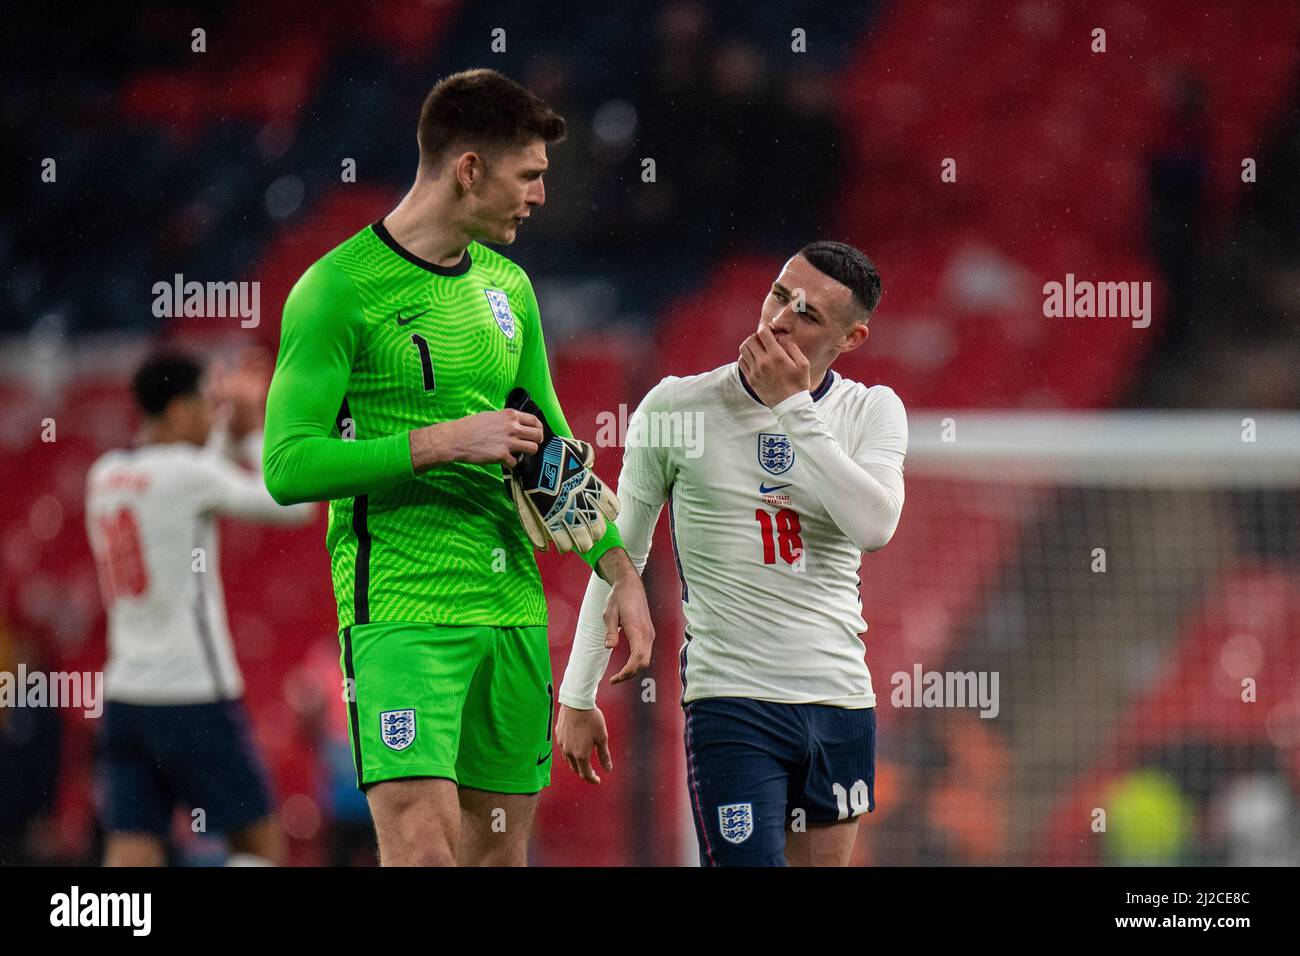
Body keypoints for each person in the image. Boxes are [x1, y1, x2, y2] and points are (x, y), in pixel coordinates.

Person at [262, 68, 654, 867]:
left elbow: (548, 446)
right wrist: (443, 441)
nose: (541, 195)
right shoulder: (336, 290)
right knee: (422, 854)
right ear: (469, 167)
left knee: (495, 860)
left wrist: (620, 570)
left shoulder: (509, 287)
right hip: (402, 615)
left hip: (510, 616)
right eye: (530, 175)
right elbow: (287, 465)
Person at [558, 241, 906, 866]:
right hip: (733, 701)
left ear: (851, 339)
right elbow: (618, 555)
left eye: (807, 314)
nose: (778, 319)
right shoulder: (675, 408)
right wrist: (577, 694)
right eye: (778, 294)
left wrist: (792, 408)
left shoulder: (871, 410)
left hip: (839, 702)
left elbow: (874, 525)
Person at [85, 349, 315, 866]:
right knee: (258, 842)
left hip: (125, 694)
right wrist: (253, 429)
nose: (210, 414)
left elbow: (186, 473)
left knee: (131, 847)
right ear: (177, 410)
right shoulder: (187, 474)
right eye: (203, 404)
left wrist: (222, 435)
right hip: (193, 694)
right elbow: (295, 505)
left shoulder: (104, 474)